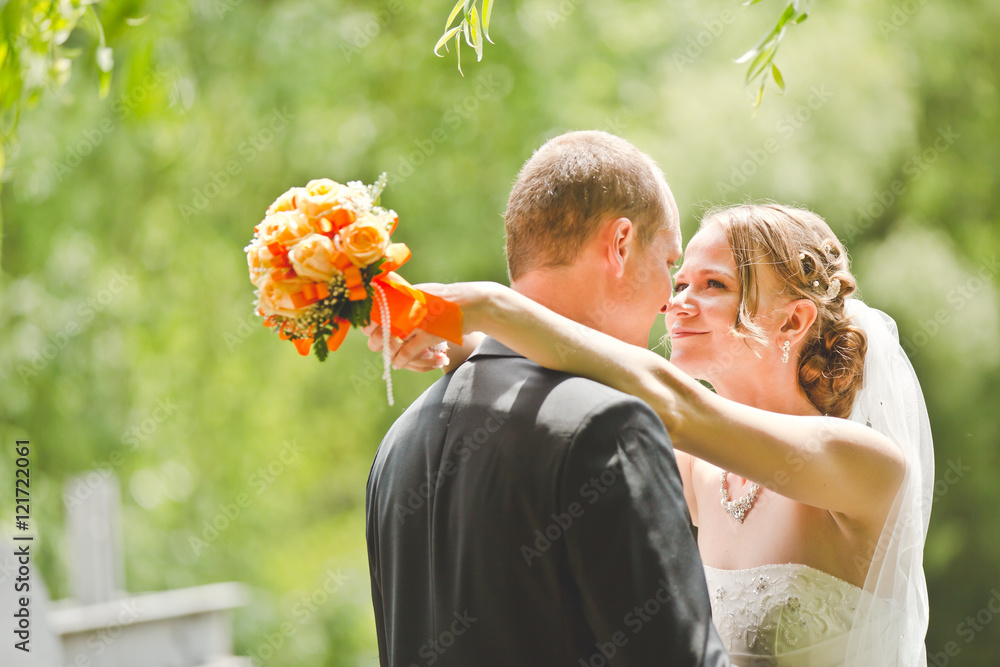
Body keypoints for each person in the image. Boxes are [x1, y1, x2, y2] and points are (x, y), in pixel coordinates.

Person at [381, 203, 934, 666]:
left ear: (793, 321)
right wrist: (472, 349)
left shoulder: (864, 465)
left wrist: (488, 306)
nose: (676, 302)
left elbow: (672, 402)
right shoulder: (699, 470)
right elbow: (582, 391)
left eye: (714, 284)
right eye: (679, 281)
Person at [365, 131, 730, 666]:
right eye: (668, 264)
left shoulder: (398, 443)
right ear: (621, 244)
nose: (665, 301)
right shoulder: (608, 426)